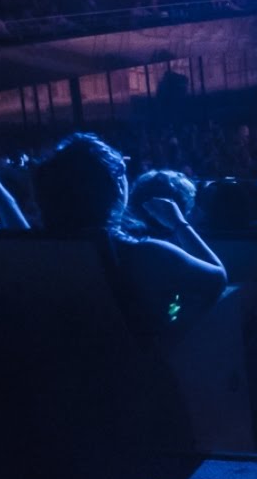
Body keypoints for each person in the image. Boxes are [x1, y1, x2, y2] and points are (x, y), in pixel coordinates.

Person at [33, 133, 226, 340]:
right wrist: (179, 224)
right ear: (116, 185)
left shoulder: (39, 251)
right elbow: (218, 279)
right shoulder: (145, 253)